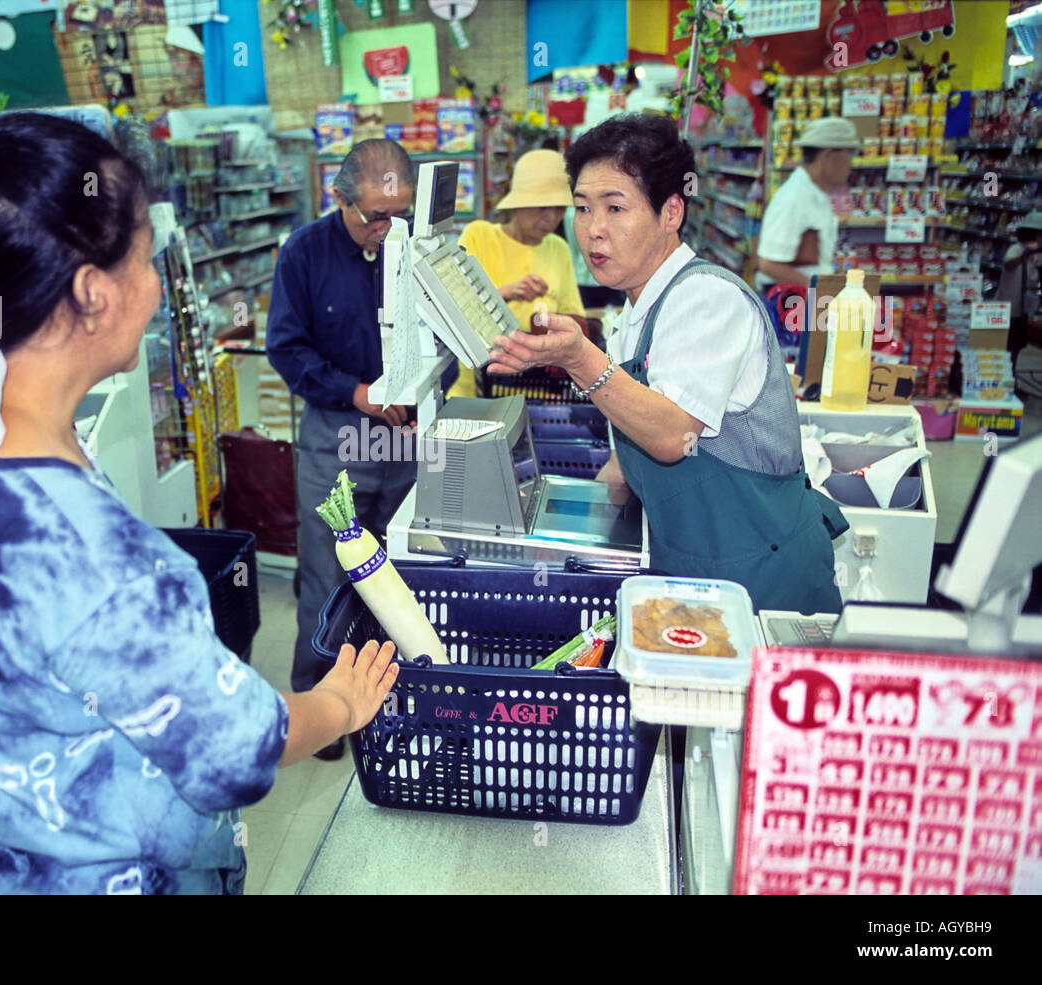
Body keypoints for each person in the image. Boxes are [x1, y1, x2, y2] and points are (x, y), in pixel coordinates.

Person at [0, 113, 398, 894]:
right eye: (146, 253)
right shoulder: (96, 554)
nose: (156, 280)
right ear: (90, 291)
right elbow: (231, 747)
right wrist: (337, 703)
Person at [488, 113, 847, 615]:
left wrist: (579, 358)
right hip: (693, 572)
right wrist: (565, 543)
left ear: (671, 212)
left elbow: (670, 436)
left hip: (761, 582)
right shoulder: (635, 311)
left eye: (616, 208)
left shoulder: (706, 299)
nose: (594, 230)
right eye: (583, 209)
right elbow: (627, 456)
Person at [267, 139, 452, 759]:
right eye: (374, 215)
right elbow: (287, 350)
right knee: (327, 576)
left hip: (405, 440)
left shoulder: (419, 250)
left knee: (397, 574)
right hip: (336, 437)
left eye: (398, 214)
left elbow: (447, 338)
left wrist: (426, 387)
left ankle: (387, 699)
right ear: (339, 198)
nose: (387, 227)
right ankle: (320, 712)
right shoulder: (305, 254)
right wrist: (359, 393)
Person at [446, 149, 586, 399]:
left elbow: (574, 317)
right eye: (543, 207)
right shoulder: (479, 236)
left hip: (541, 399)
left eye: (559, 208)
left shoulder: (558, 249)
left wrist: (550, 325)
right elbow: (451, 310)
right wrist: (506, 294)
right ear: (519, 204)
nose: (551, 217)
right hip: (476, 394)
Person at [755, 117, 858, 292]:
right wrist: (821, 289)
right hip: (791, 305)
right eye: (849, 154)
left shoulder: (814, 193)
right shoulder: (795, 198)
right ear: (829, 155)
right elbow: (768, 264)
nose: (851, 164)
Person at [995, 210, 1042, 369]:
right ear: (1034, 234)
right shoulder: (1016, 249)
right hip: (1009, 307)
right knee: (1007, 344)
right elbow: (1008, 263)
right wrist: (1024, 256)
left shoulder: (1038, 254)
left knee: (1018, 344)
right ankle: (1006, 372)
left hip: (1025, 307)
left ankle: (1012, 372)